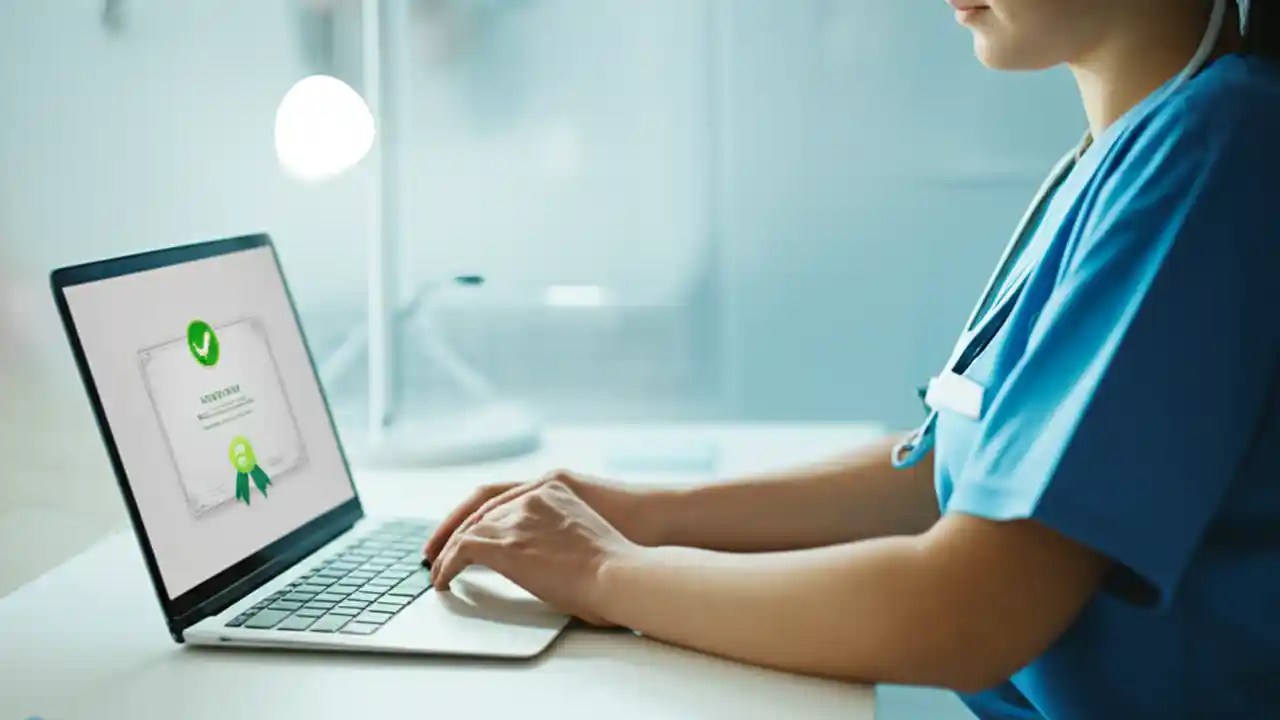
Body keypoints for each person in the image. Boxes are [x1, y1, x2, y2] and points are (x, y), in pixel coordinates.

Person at [424, 1, 1280, 716]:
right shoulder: (1127, 153)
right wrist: (648, 513)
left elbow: (970, 608)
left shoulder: (1215, 147)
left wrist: (607, 571)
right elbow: (937, 474)